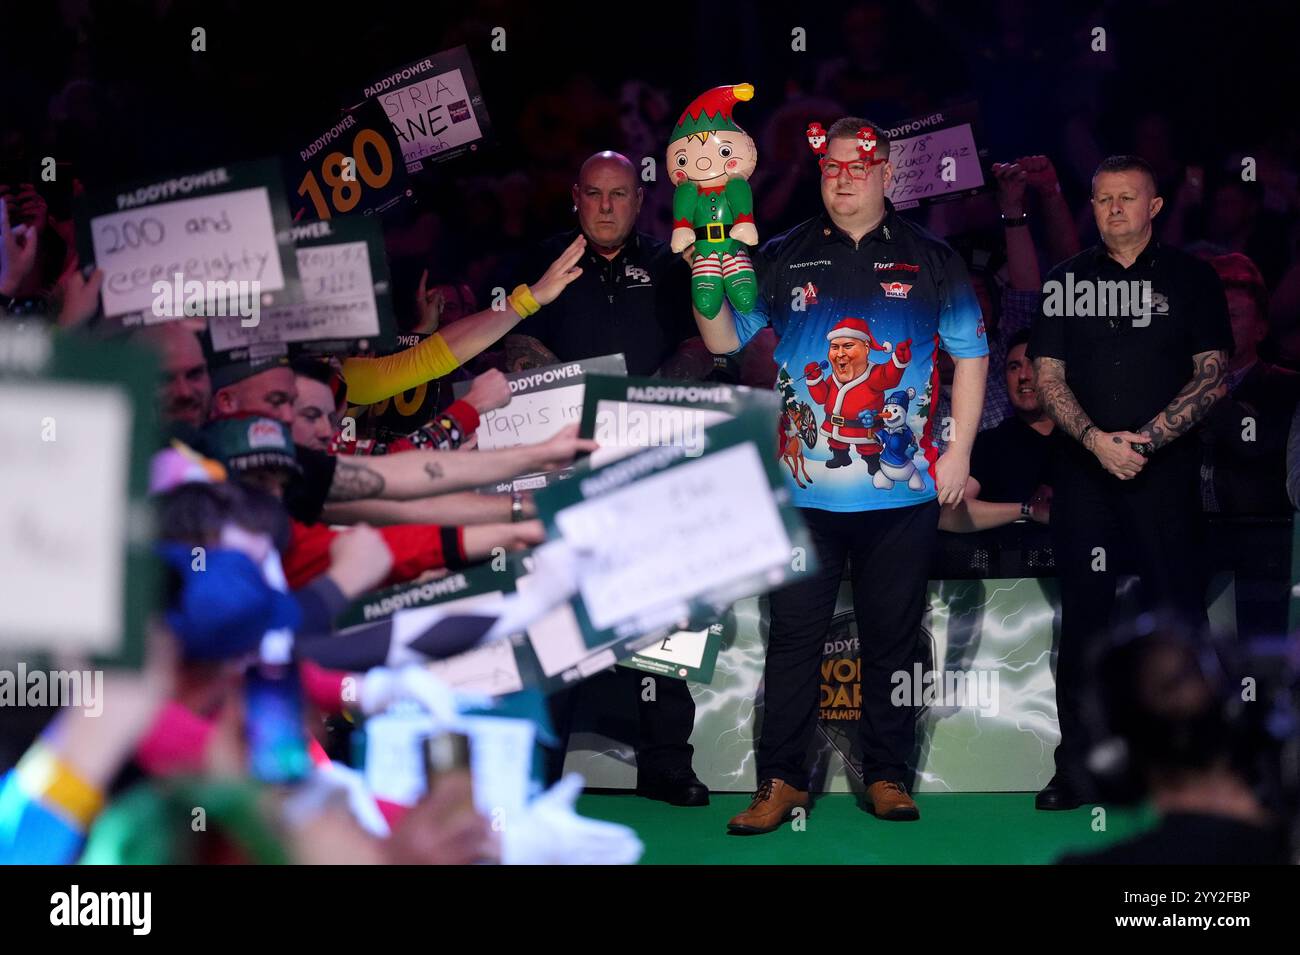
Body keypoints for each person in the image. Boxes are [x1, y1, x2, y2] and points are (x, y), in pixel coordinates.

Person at [695, 116, 988, 832]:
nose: (844, 177)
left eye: (860, 166)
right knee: (793, 637)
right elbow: (726, 342)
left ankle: (887, 774)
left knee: (893, 636)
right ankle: (781, 780)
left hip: (904, 493)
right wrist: (705, 276)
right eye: (832, 167)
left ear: (887, 172)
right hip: (803, 497)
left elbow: (973, 352)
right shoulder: (783, 253)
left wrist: (960, 452)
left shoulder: (932, 255)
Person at [1028, 155, 1232, 811]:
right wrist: (1095, 441)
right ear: (1090, 206)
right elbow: (1048, 376)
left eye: (1127, 197)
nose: (1114, 208)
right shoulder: (1063, 280)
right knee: (1085, 625)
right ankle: (1079, 767)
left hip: (1164, 474)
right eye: (1103, 198)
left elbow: (1212, 374)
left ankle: (1193, 768)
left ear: (1156, 206)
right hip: (1084, 474)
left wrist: (1144, 441)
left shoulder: (1193, 278)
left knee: (1178, 622)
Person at [502, 151, 698, 377]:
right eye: (594, 194)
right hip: (567, 411)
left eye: (618, 194)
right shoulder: (542, 260)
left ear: (638, 200)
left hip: (655, 409)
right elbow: (519, 344)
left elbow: (699, 343)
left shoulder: (670, 263)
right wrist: (589, 400)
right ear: (576, 197)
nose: (606, 206)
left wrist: (647, 396)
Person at [1199, 253, 1300, 516]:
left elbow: (1256, 444)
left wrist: (1208, 393)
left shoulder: (1286, 387)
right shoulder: (1174, 385)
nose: (1221, 326)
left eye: (1232, 315)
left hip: (1259, 542)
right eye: (1213, 315)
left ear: (1260, 328)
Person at [940, 330, 1053, 532]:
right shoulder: (991, 444)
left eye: (1034, 365)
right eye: (1014, 367)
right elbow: (949, 514)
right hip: (1011, 557)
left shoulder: (1082, 440)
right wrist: (1029, 510)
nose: (1024, 376)